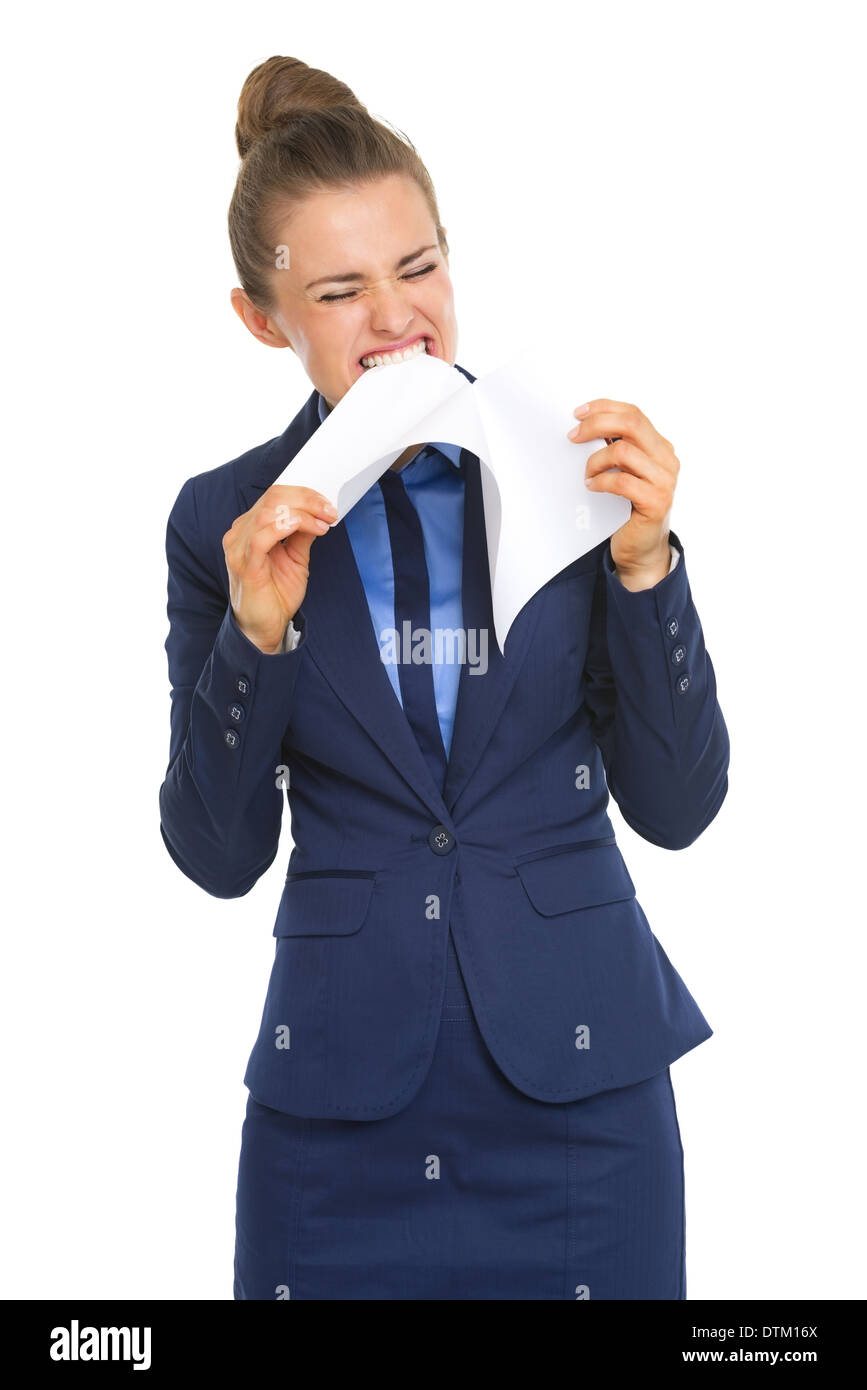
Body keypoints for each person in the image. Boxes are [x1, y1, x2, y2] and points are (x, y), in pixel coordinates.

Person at [159, 54, 730, 1301]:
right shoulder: (226, 520)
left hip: (584, 1106)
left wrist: (646, 568)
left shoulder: (575, 465)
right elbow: (215, 854)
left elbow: (679, 808)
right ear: (267, 318)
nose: (397, 318)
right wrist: (254, 638)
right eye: (341, 290)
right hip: (337, 1105)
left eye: (419, 270)